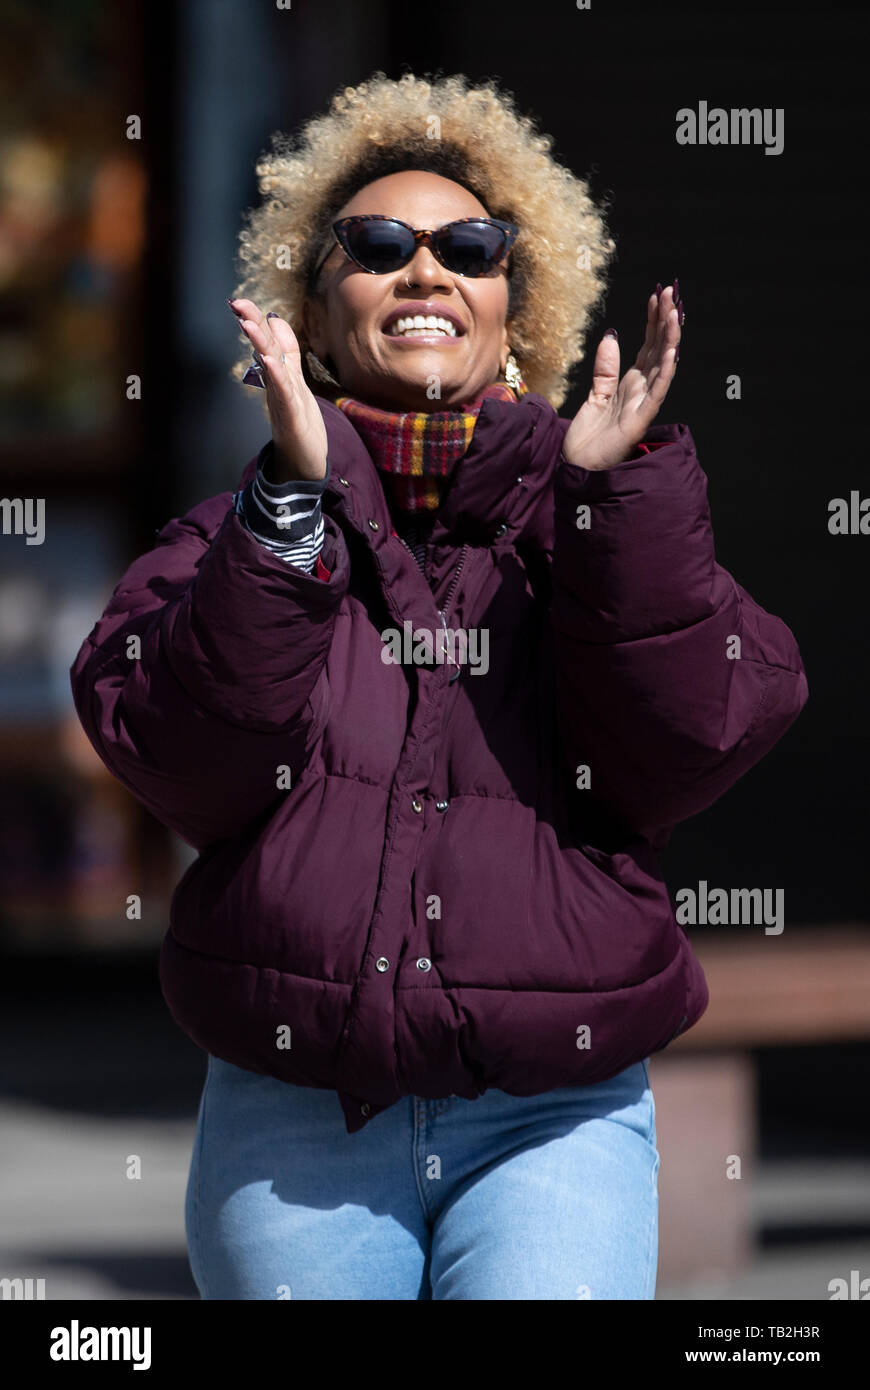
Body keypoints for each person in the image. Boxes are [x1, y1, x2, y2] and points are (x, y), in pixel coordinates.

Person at [70, 72, 808, 1300]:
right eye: (377, 244)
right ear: (313, 304)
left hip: (552, 1118)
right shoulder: (230, 533)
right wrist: (290, 515)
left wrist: (612, 514)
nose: (426, 270)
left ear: (518, 304)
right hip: (295, 1119)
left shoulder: (596, 513)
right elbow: (180, 762)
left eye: (469, 245)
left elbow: (697, 736)